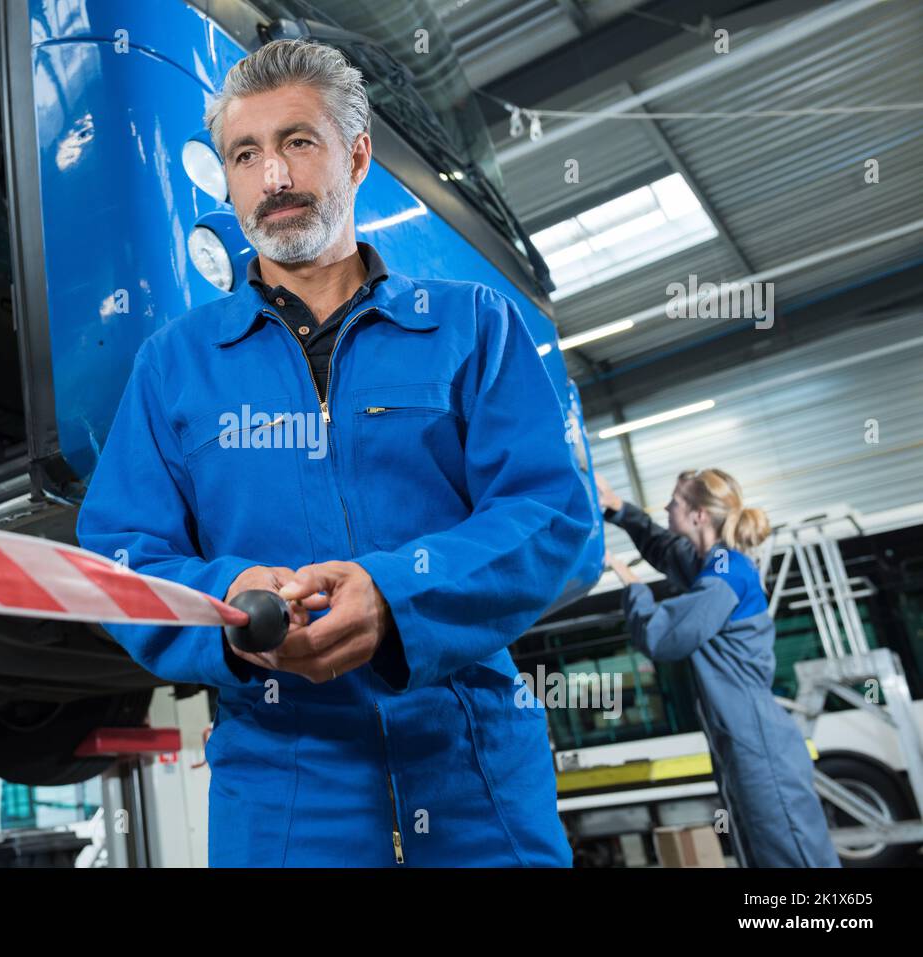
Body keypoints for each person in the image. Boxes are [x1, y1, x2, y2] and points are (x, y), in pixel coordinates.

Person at [76, 38, 592, 867]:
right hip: (280, 788)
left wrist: (395, 595)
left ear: (357, 155)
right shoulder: (173, 365)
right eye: (245, 155)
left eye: (297, 143)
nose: (272, 177)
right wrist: (227, 603)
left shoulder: (473, 327)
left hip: (474, 773)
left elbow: (553, 517)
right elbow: (119, 555)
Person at [597, 468, 841, 867]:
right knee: (759, 855)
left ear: (698, 516)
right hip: (739, 742)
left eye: (674, 502)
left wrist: (631, 582)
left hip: (758, 746)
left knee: (792, 857)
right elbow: (663, 546)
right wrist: (618, 508)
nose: (664, 507)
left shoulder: (726, 574)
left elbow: (663, 635)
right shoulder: (713, 563)